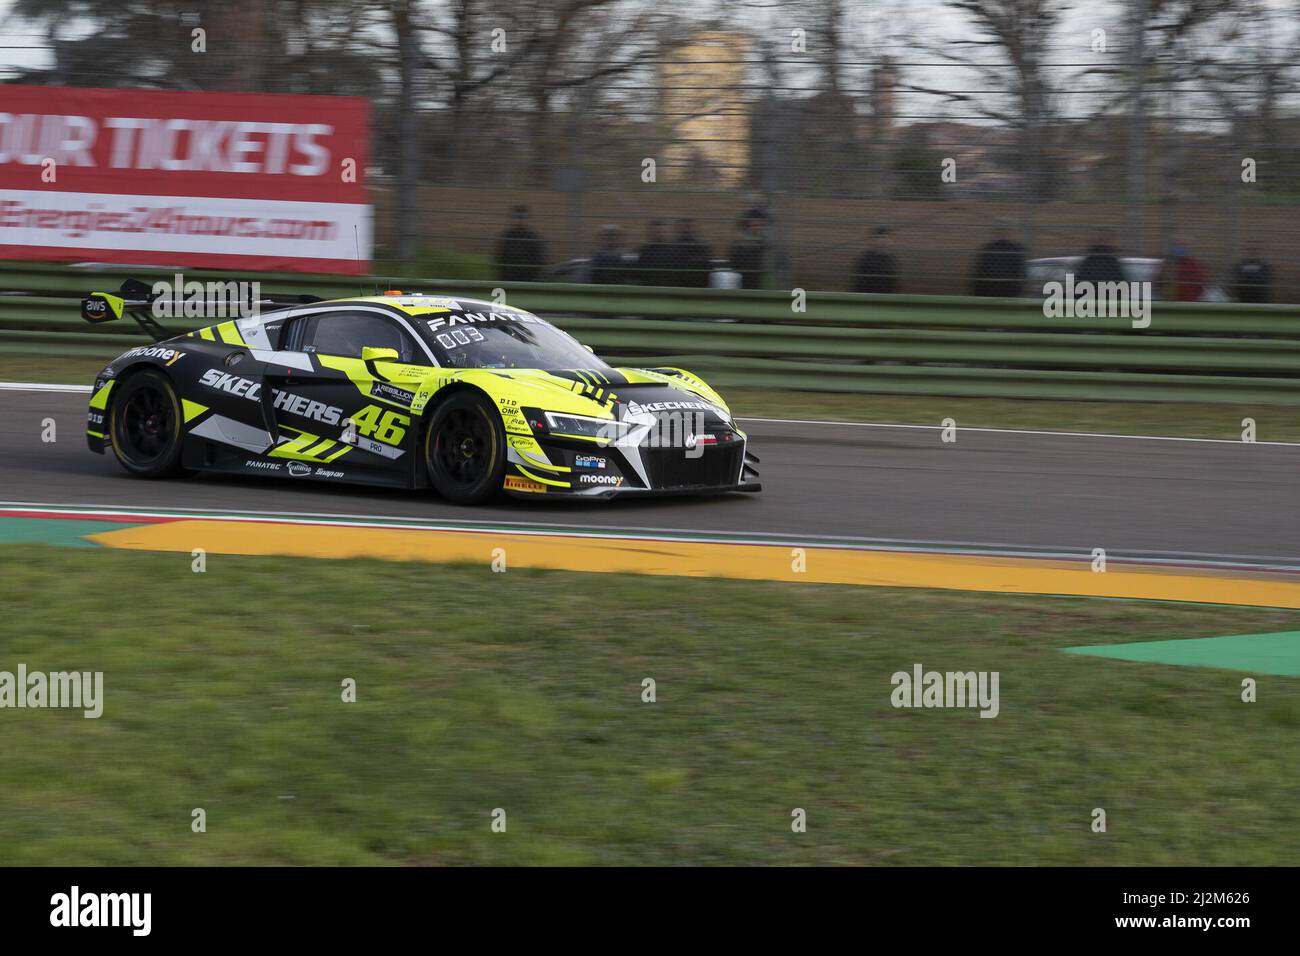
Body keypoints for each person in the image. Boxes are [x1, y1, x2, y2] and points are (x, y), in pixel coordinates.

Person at [968, 222, 1026, 297]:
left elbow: (1021, 272)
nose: (1003, 234)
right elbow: (979, 271)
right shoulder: (987, 249)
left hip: (1009, 289)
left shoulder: (1017, 250)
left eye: (1006, 231)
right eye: (1000, 231)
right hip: (990, 289)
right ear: (995, 233)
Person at [494, 205, 547, 282]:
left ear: (527, 219)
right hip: (508, 279)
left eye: (523, 217)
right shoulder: (506, 237)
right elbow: (499, 258)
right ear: (512, 219)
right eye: (517, 217)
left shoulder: (534, 238)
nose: (520, 220)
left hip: (528, 279)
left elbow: (540, 261)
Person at [851, 227, 899, 294]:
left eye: (886, 238)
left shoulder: (891, 258)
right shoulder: (866, 258)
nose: (884, 241)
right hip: (867, 294)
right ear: (874, 240)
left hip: (885, 295)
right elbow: (858, 281)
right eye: (881, 238)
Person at [728, 213, 767, 290]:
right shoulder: (740, 241)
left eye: (758, 225)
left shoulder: (761, 240)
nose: (757, 227)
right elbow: (734, 257)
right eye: (754, 225)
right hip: (744, 273)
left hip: (756, 273)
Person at [671, 218, 713, 287]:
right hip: (679, 282)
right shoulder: (674, 246)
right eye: (685, 226)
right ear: (680, 228)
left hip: (697, 281)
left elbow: (706, 264)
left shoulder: (701, 246)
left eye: (689, 226)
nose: (687, 229)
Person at [633, 220, 675, 287]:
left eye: (663, 232)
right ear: (650, 233)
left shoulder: (673, 250)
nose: (660, 234)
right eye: (657, 232)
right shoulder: (643, 250)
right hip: (648, 285)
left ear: (667, 233)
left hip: (668, 285)